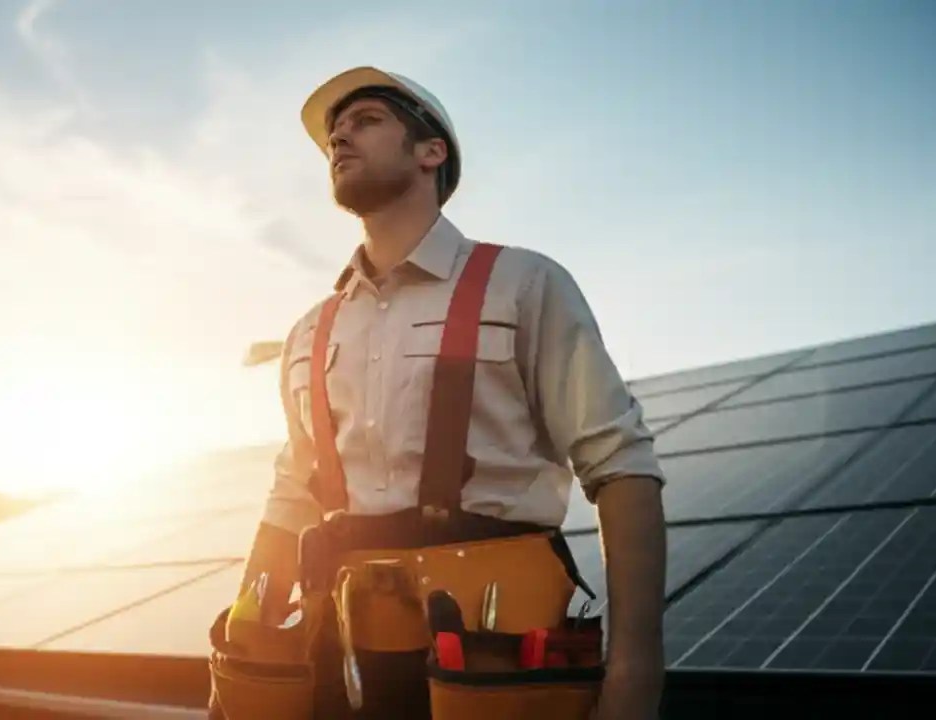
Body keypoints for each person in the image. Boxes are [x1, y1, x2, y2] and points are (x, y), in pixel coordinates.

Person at [212, 66, 668, 720]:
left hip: (500, 661)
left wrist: (635, 678)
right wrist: (244, 658)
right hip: (343, 659)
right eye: (334, 134)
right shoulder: (310, 329)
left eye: (365, 121)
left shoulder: (525, 283)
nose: (339, 138)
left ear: (433, 153)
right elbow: (292, 499)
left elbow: (622, 467)